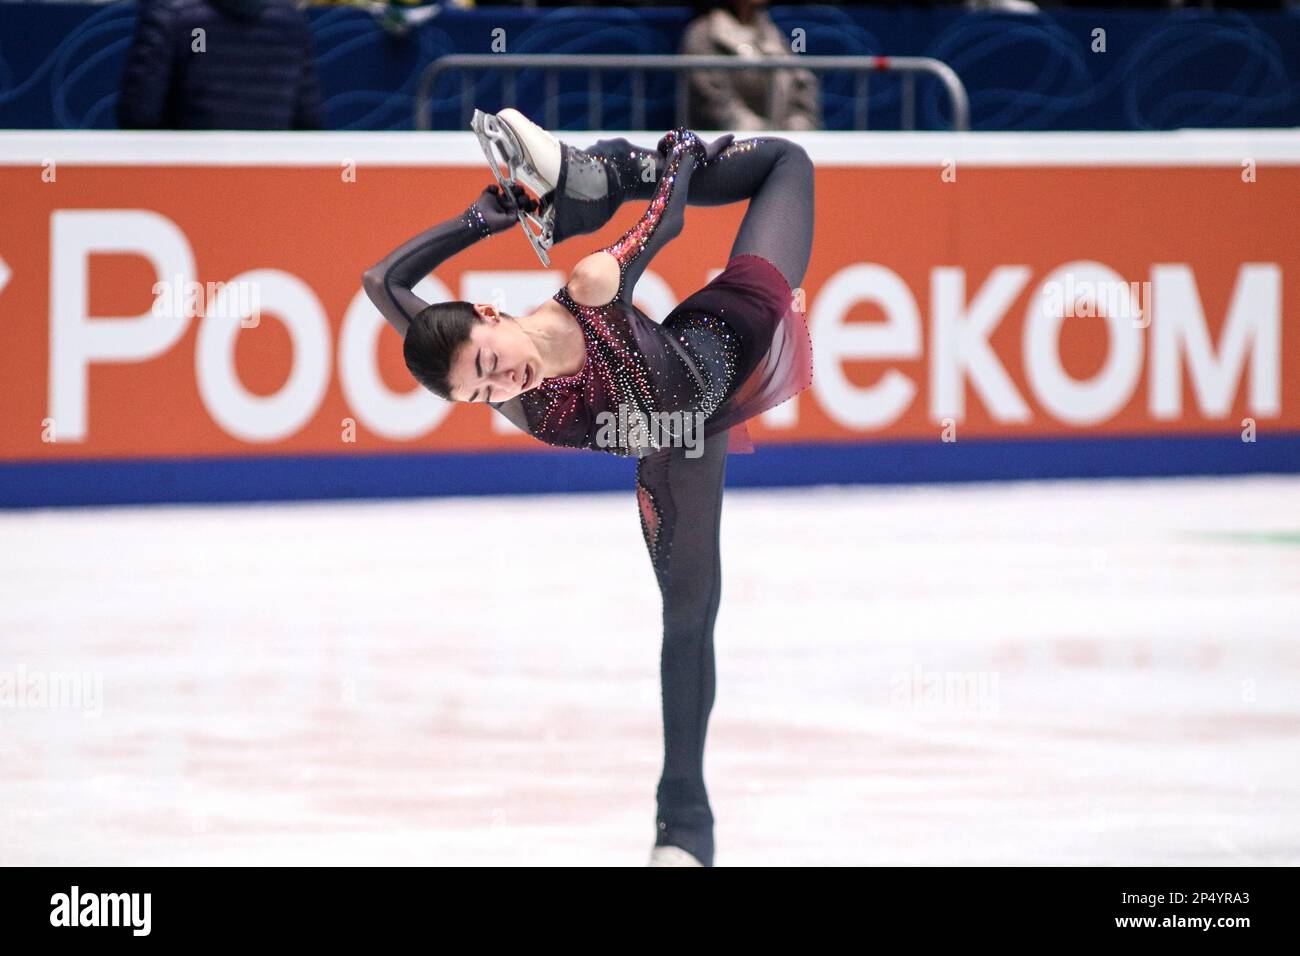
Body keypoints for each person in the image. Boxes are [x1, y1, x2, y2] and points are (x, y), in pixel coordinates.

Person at [362, 108, 814, 866]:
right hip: (674, 444)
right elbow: (383, 285)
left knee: (787, 160)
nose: (500, 384)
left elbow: (667, 216)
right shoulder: (506, 391)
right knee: (688, 616)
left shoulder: (592, 283)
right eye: (478, 396)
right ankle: (683, 832)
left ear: (487, 313)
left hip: (732, 337)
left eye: (487, 363)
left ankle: (599, 170)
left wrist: (484, 219)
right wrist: (481, 219)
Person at [117, 0, 324, 130]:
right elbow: (309, 122)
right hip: (267, 183)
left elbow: (139, 115)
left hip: (185, 182)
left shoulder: (170, 13)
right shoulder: (291, 21)